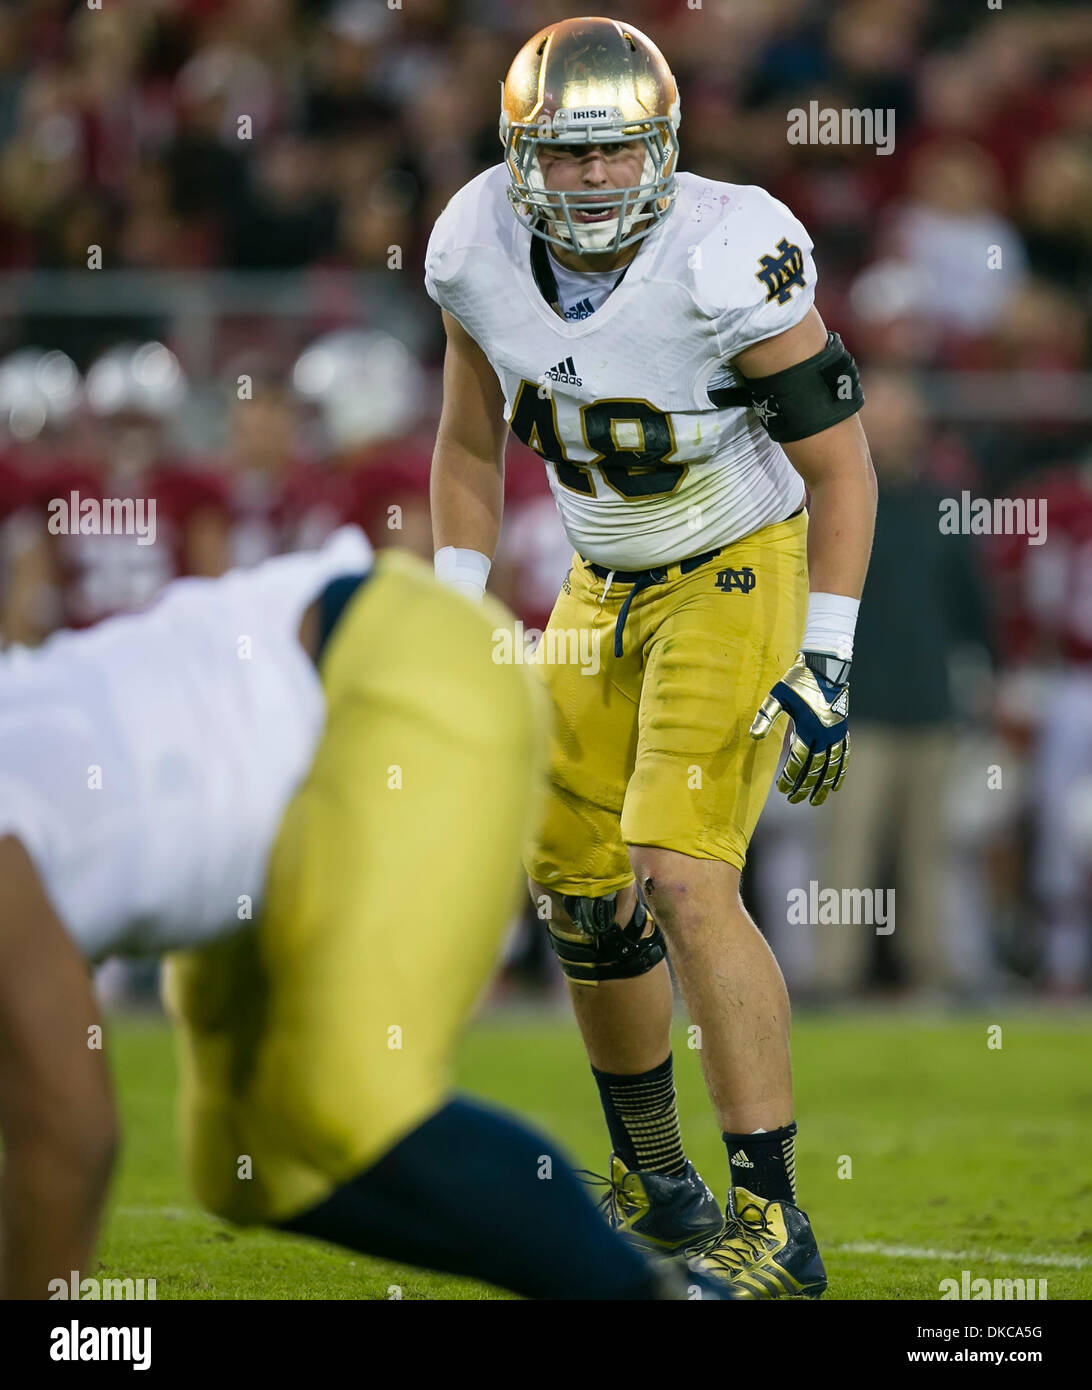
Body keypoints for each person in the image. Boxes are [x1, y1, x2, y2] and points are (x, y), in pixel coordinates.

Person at [427, 16, 877, 1298]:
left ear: (663, 147)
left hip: (735, 561)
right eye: (565, 156)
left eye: (617, 152)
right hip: (596, 574)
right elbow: (469, 445)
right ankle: (657, 1178)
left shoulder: (727, 250)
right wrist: (460, 610)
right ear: (521, 156)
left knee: (680, 873)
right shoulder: (471, 244)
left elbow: (840, 463)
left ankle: (777, 1219)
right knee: (574, 881)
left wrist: (830, 651)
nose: (591, 179)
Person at [0, 528, 707, 1300]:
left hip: (394, 670)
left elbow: (68, 1137)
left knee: (346, 1097)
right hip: (283, 762)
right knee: (244, 1164)